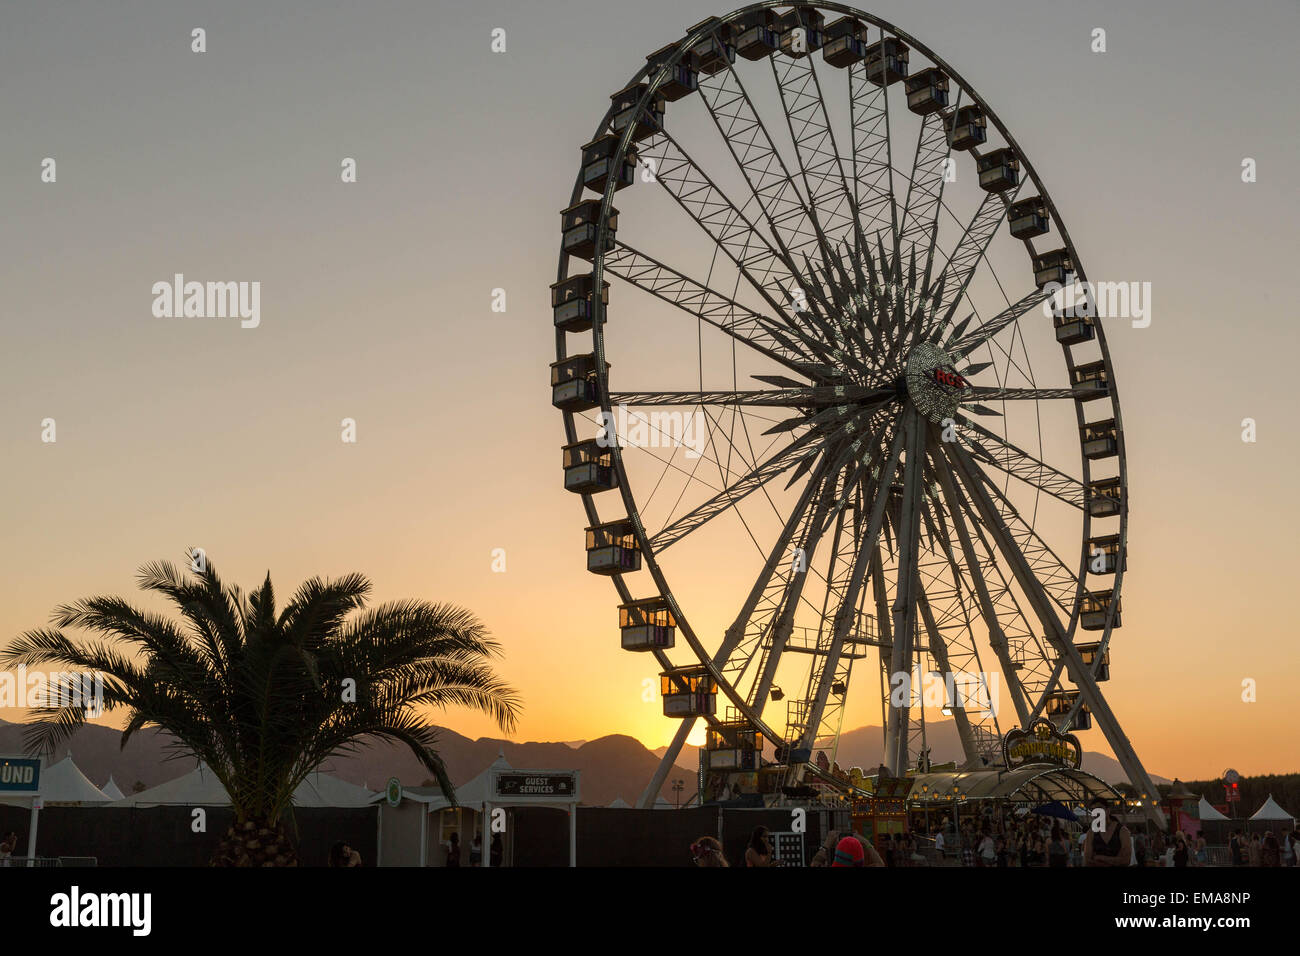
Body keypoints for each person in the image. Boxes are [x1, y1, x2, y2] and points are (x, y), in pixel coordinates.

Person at [1083, 798, 1132, 867]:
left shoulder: (1122, 831)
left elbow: (1126, 860)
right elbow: (1087, 861)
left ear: (1108, 811)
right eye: (1093, 810)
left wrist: (1100, 858)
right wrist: (1115, 860)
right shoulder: (1091, 833)